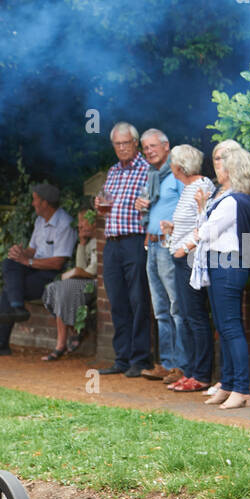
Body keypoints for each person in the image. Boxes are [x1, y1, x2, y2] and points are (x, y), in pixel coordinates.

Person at [190, 143, 250, 411]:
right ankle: (229, 384)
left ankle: (241, 389)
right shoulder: (232, 200)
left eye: (222, 165)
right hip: (224, 263)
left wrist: (200, 212)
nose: (217, 169)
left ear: (233, 170)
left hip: (227, 264)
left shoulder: (232, 201)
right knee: (224, 326)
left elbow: (204, 233)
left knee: (230, 327)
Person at [0, 182, 77, 356]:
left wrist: (27, 261)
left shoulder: (64, 224)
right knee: (8, 263)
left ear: (45, 203)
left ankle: (0, 342)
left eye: (35, 200)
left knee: (10, 288)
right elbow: (32, 250)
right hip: (35, 266)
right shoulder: (40, 220)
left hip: (51, 274)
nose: (32, 203)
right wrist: (20, 253)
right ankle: (17, 308)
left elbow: (58, 263)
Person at [94, 121, 153, 377]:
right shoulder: (113, 172)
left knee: (138, 300)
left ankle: (141, 359)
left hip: (136, 240)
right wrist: (99, 204)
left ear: (135, 143)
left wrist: (148, 206)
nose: (121, 148)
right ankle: (122, 358)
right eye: (117, 144)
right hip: (112, 242)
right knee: (116, 300)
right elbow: (107, 204)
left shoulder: (149, 170)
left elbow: (157, 204)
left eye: (125, 143)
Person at [134, 128, 187, 383]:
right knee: (161, 309)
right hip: (152, 245)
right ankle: (167, 363)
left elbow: (186, 208)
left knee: (177, 306)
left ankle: (183, 365)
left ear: (167, 146)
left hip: (169, 245)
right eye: (145, 148)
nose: (149, 151)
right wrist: (141, 208)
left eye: (153, 146)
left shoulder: (176, 174)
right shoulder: (152, 175)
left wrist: (173, 230)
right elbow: (154, 209)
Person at [164, 145, 217, 393]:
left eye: (172, 163)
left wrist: (184, 248)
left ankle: (202, 375)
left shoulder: (202, 187)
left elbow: (204, 223)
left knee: (196, 318)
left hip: (191, 261)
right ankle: (193, 372)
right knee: (186, 316)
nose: (170, 167)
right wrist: (172, 231)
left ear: (179, 167)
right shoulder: (189, 189)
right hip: (181, 258)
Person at [39, 211, 99, 361]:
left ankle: (65, 342)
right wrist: (82, 243)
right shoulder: (88, 241)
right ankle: (66, 338)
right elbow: (81, 266)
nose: (79, 225)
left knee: (66, 287)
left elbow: (92, 271)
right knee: (56, 288)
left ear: (94, 222)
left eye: (83, 221)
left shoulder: (99, 241)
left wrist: (75, 272)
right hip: (85, 282)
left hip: (98, 285)